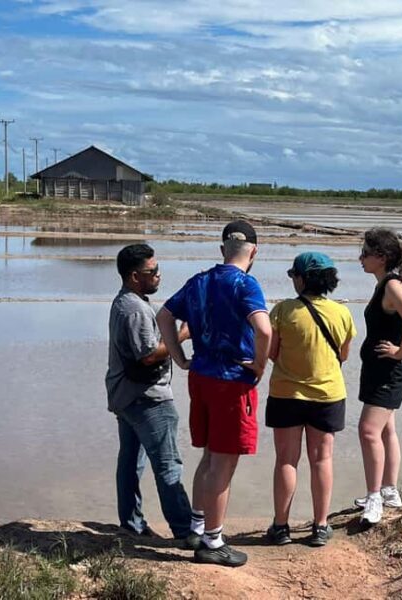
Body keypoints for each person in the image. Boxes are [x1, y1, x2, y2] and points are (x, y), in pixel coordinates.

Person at [157, 220, 271, 568]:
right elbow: (264, 329)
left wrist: (179, 357)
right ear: (253, 252)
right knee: (224, 461)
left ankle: (196, 524)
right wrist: (259, 365)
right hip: (231, 380)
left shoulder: (199, 281)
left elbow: (164, 316)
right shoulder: (246, 284)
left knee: (209, 456)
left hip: (201, 377)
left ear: (222, 250)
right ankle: (213, 540)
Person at [264, 252, 357, 547]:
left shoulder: (282, 311)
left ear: (302, 279)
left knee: (286, 461)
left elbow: (272, 352)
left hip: (286, 394)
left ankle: (281, 527)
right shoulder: (342, 313)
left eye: (294, 275)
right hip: (327, 395)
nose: (293, 280)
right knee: (322, 459)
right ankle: (320, 526)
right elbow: (343, 354)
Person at [105, 243, 193, 543]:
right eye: (152, 271)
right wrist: (182, 333)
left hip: (127, 396)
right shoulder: (133, 309)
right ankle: (184, 531)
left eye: (158, 269)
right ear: (133, 276)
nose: (158, 275)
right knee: (168, 463)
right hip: (147, 398)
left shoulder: (129, 302)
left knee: (131, 462)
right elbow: (148, 354)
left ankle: (131, 523)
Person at [355, 228, 402, 525]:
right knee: (385, 430)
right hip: (381, 368)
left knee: (368, 431)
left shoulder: (392, 285)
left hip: (391, 370)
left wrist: (400, 352)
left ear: (380, 258)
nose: (361, 258)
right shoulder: (384, 283)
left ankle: (374, 500)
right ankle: (389, 491)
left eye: (366, 253)